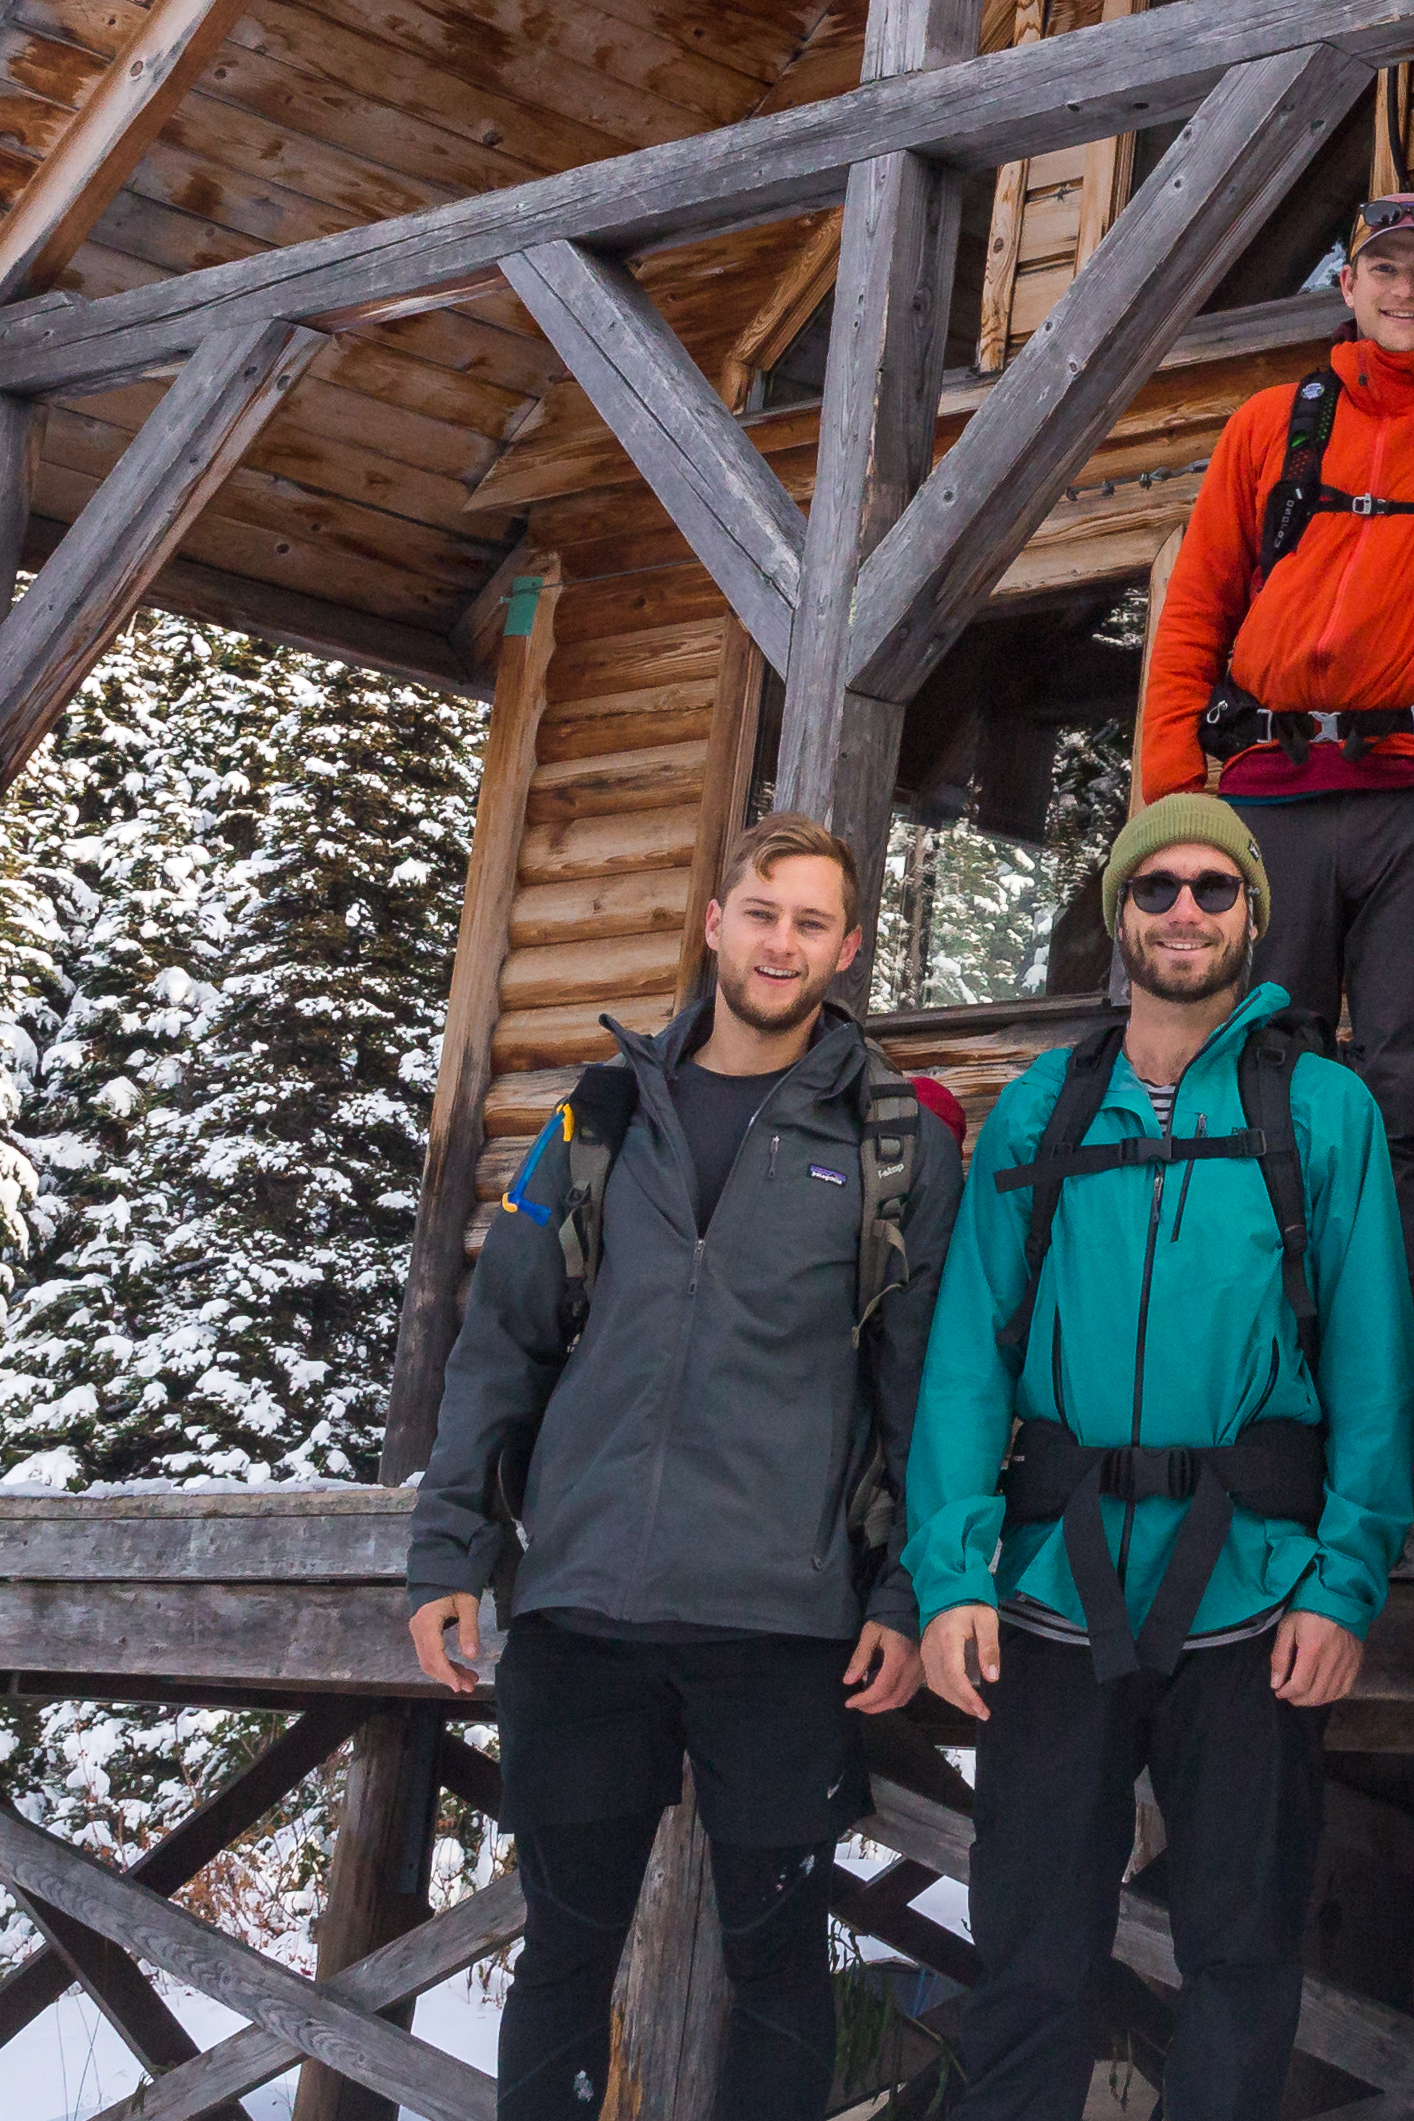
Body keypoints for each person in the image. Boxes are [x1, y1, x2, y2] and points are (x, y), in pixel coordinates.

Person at [403, 815, 962, 2121]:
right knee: (564, 1953)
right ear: (716, 921)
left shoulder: (894, 1144)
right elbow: (502, 1348)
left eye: (812, 922)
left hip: (779, 1625)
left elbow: (922, 1398)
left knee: (777, 1963)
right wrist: (450, 1555)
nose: (782, 943)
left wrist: (898, 1597)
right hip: (585, 1607)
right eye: (763, 912)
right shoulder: (596, 1118)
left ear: (849, 947)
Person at [905, 790, 1414, 2121]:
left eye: (1212, 888)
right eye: (1155, 889)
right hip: (1054, 1582)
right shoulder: (1038, 1112)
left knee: (1244, 1956)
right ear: (1118, 916)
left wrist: (1346, 1580)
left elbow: (1375, 1366)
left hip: (1253, 1585)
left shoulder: (1322, 1110)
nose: (1183, 911)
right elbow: (968, 1355)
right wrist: (952, 1573)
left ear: (1252, 914)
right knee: (1026, 1951)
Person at [1137, 190, 1414, 1428]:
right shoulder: (1273, 423)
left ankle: (1408, 1393)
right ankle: (1245, 1373)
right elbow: (1197, 611)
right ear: (1348, 284)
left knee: (1410, 1096)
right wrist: (1175, 807)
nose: (1407, 289)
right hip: (1266, 802)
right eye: (1385, 268)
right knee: (1250, 1079)